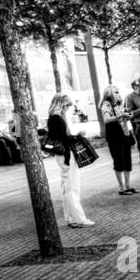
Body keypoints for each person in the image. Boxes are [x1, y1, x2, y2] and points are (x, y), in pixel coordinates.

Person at [47, 94, 94, 228]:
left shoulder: (53, 117)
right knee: (72, 187)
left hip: (61, 154)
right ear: (62, 104)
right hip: (66, 154)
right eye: (67, 105)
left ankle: (72, 218)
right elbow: (64, 138)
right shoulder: (57, 119)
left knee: (67, 186)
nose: (68, 108)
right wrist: (78, 135)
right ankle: (79, 218)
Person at [99, 85, 136, 195]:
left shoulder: (119, 104)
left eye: (118, 91)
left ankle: (128, 186)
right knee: (119, 161)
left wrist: (129, 115)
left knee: (127, 161)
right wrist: (120, 117)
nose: (118, 94)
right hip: (115, 136)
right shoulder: (106, 104)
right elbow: (106, 120)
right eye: (116, 92)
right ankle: (122, 187)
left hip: (125, 134)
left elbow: (126, 115)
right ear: (109, 94)